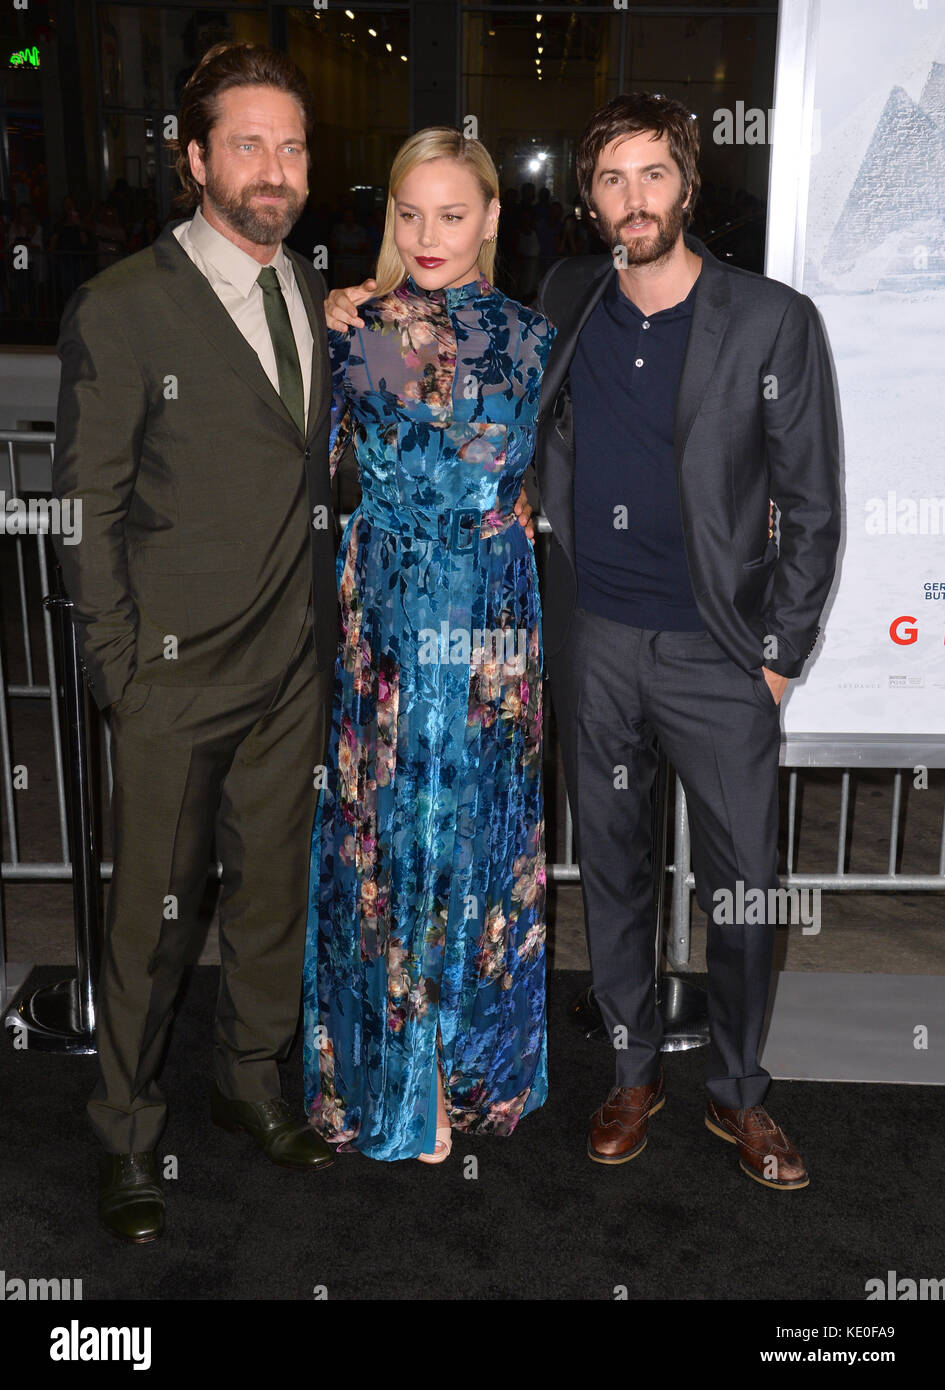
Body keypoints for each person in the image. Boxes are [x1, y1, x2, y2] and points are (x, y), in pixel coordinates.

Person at [52, 41, 343, 1244]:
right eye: (248, 144)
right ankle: (125, 1134)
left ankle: (247, 1086)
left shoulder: (311, 292)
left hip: (291, 671)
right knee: (154, 925)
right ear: (193, 160)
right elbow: (86, 508)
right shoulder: (122, 307)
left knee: (270, 905)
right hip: (173, 678)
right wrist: (121, 675)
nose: (274, 168)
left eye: (292, 146)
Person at [534, 92, 841, 1187]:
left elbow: (813, 505)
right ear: (588, 198)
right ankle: (630, 1069)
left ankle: (738, 1095)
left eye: (652, 174)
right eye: (611, 180)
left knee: (746, 886)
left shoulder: (770, 318)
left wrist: (779, 654)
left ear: (688, 184)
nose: (634, 200)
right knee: (611, 870)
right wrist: (352, 304)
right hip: (600, 641)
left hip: (720, 657)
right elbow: (458, 352)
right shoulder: (569, 296)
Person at [301, 127, 554, 1162]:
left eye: (453, 214)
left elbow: (520, 476)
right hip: (395, 613)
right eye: (410, 213)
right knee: (397, 830)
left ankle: (473, 1060)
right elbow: (325, 470)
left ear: (492, 219)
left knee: (479, 829)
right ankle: (404, 1081)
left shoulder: (535, 335)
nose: (429, 233)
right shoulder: (354, 331)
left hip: (493, 613)